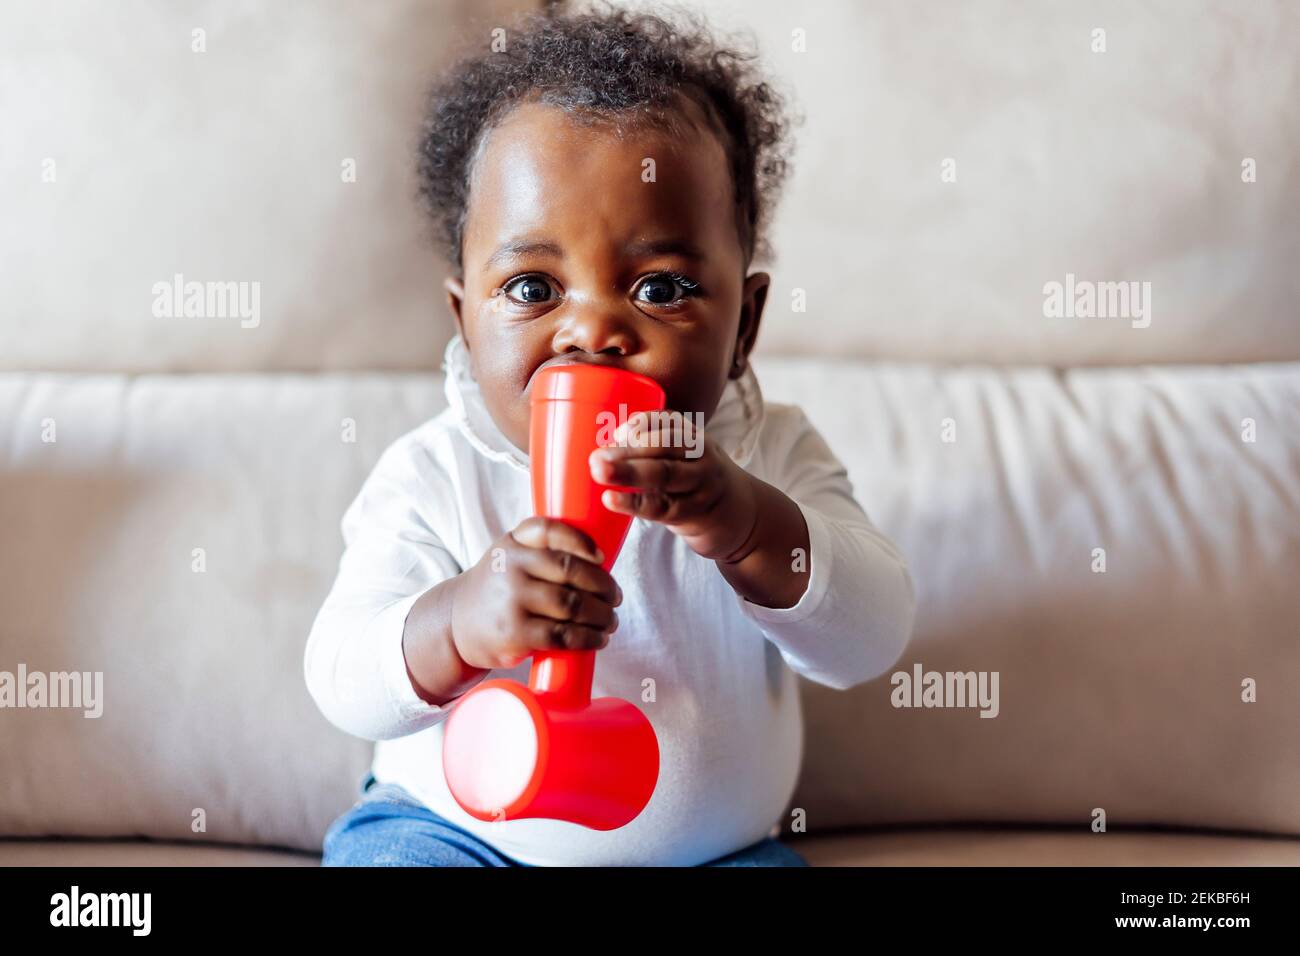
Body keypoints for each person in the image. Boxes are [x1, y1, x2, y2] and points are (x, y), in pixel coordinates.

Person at [306, 3, 916, 867]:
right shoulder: (436, 473)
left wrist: (744, 525)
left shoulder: (768, 456)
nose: (591, 332)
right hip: (455, 838)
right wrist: (457, 624)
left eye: (661, 289)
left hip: (715, 855)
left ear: (744, 326)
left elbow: (872, 638)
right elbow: (339, 677)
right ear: (464, 323)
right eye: (529, 288)